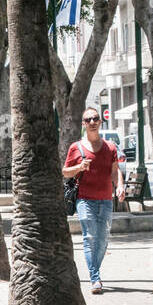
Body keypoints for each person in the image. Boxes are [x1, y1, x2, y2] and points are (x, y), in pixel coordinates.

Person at [63, 107, 125, 294]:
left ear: (100, 122)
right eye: (88, 119)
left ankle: (94, 271)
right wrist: (80, 166)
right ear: (83, 124)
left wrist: (119, 185)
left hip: (106, 199)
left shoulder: (110, 147)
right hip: (85, 200)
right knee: (90, 238)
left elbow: (115, 171)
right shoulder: (76, 147)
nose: (92, 122)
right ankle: (95, 278)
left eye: (95, 119)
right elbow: (65, 172)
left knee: (103, 239)